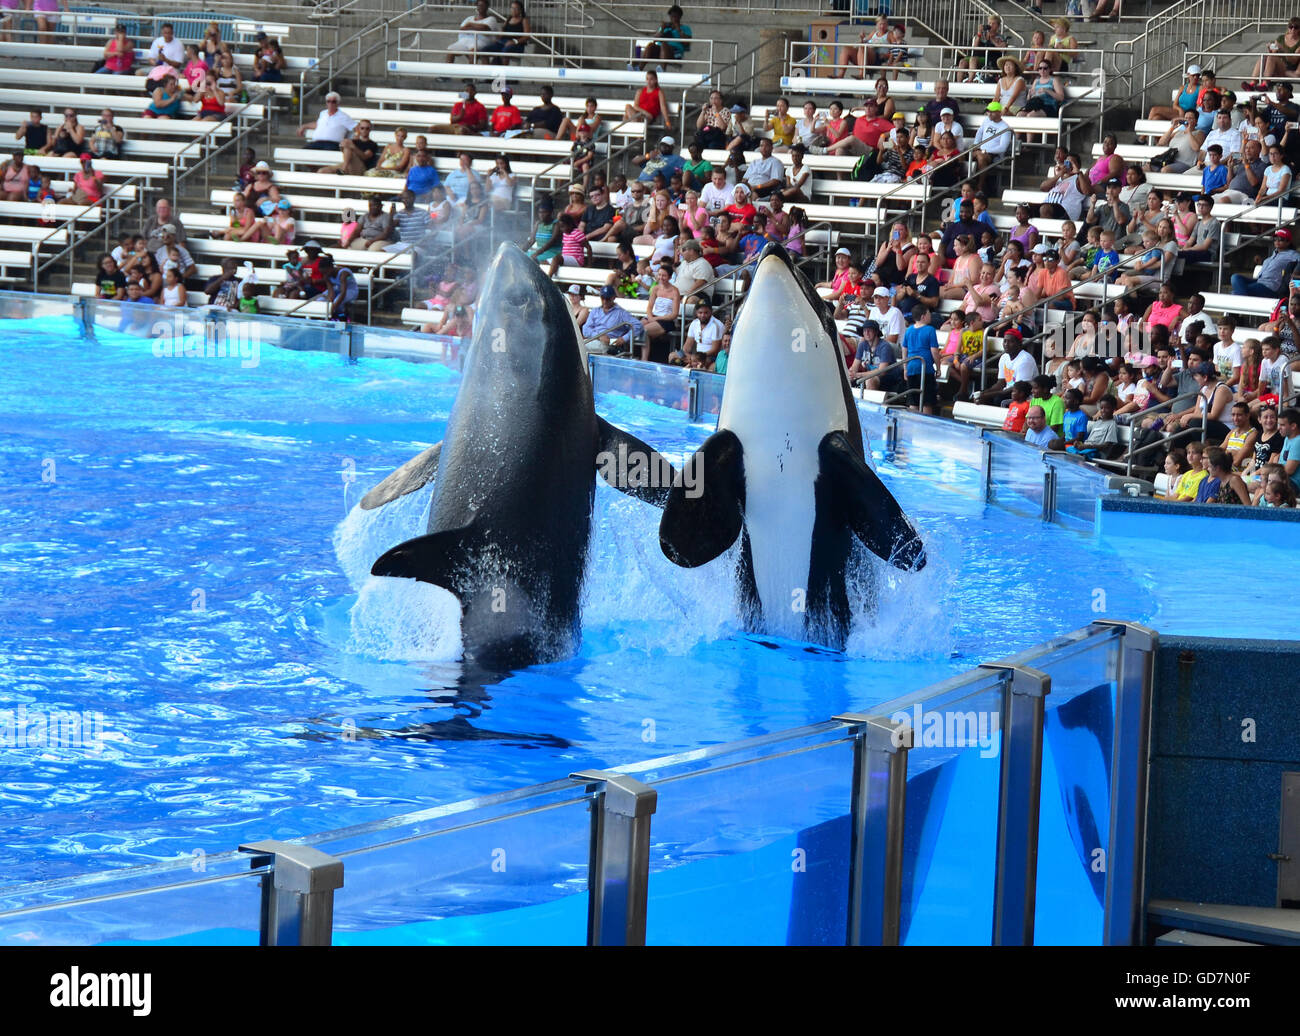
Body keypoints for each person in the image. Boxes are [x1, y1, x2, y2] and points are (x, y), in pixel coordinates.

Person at [902, 304, 941, 415]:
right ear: (923, 316)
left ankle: (912, 423)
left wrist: (905, 368)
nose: (930, 316)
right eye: (929, 314)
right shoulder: (930, 330)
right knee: (927, 401)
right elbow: (934, 350)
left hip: (911, 367)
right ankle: (926, 426)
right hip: (925, 368)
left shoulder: (909, 330)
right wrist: (938, 368)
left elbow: (904, 349)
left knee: (913, 400)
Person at [582, 285, 639, 354]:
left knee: (579, 347)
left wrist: (624, 338)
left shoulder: (621, 313)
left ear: (613, 298)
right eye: (603, 298)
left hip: (609, 344)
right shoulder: (595, 311)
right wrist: (599, 336)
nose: (605, 301)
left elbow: (638, 325)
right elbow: (585, 329)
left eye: (608, 298)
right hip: (593, 340)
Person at [672, 297, 725, 368]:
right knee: (672, 356)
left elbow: (715, 350)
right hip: (697, 356)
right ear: (696, 313)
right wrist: (684, 354)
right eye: (700, 313)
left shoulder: (716, 325)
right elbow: (687, 346)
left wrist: (697, 357)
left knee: (697, 364)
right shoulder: (694, 323)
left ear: (711, 312)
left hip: (710, 357)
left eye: (706, 313)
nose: (703, 315)